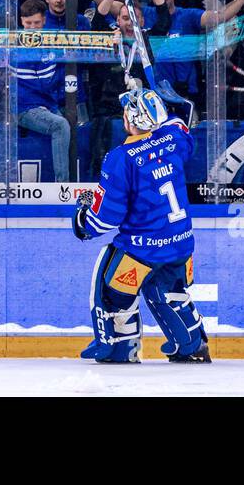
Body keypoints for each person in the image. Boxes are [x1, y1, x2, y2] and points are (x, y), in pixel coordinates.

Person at [72, 87, 210, 364]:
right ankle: (193, 345)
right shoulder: (174, 140)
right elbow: (177, 122)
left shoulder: (120, 158)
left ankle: (120, 347)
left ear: (131, 119)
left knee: (112, 291)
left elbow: (105, 218)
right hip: (180, 243)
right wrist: (148, 91)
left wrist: (82, 218)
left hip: (142, 249)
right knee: (168, 290)